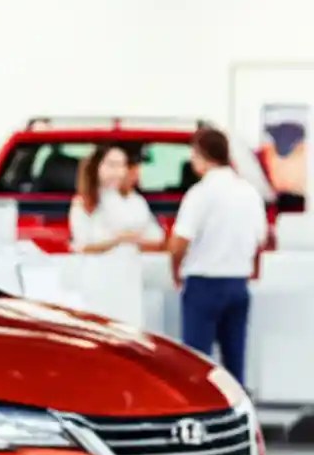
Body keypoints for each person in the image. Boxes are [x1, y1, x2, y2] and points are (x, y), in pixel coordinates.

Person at [169, 128, 268, 385]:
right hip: (238, 284)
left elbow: (179, 242)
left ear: (201, 155)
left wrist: (175, 271)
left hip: (204, 285)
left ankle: (201, 420)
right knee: (235, 363)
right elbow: (261, 240)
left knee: (197, 364)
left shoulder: (199, 194)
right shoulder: (249, 192)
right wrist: (252, 272)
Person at [69, 145, 165, 323]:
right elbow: (83, 245)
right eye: (111, 165)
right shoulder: (84, 202)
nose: (118, 172)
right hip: (98, 284)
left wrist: (132, 238)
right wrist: (120, 239)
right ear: (97, 166)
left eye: (122, 165)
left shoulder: (134, 201)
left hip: (128, 282)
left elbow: (155, 236)